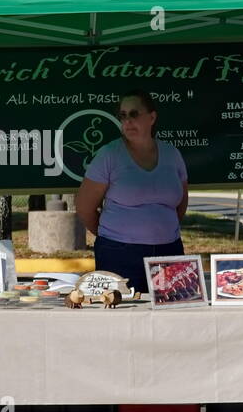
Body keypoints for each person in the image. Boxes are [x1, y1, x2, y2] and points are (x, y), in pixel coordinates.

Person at [75, 90, 189, 293]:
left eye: (134, 114)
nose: (127, 121)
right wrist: (113, 236)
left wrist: (161, 230)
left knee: (171, 316)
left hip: (169, 251)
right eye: (123, 115)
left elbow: (180, 204)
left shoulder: (173, 154)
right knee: (119, 314)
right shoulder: (109, 155)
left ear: (152, 117)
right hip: (119, 254)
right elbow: (85, 208)